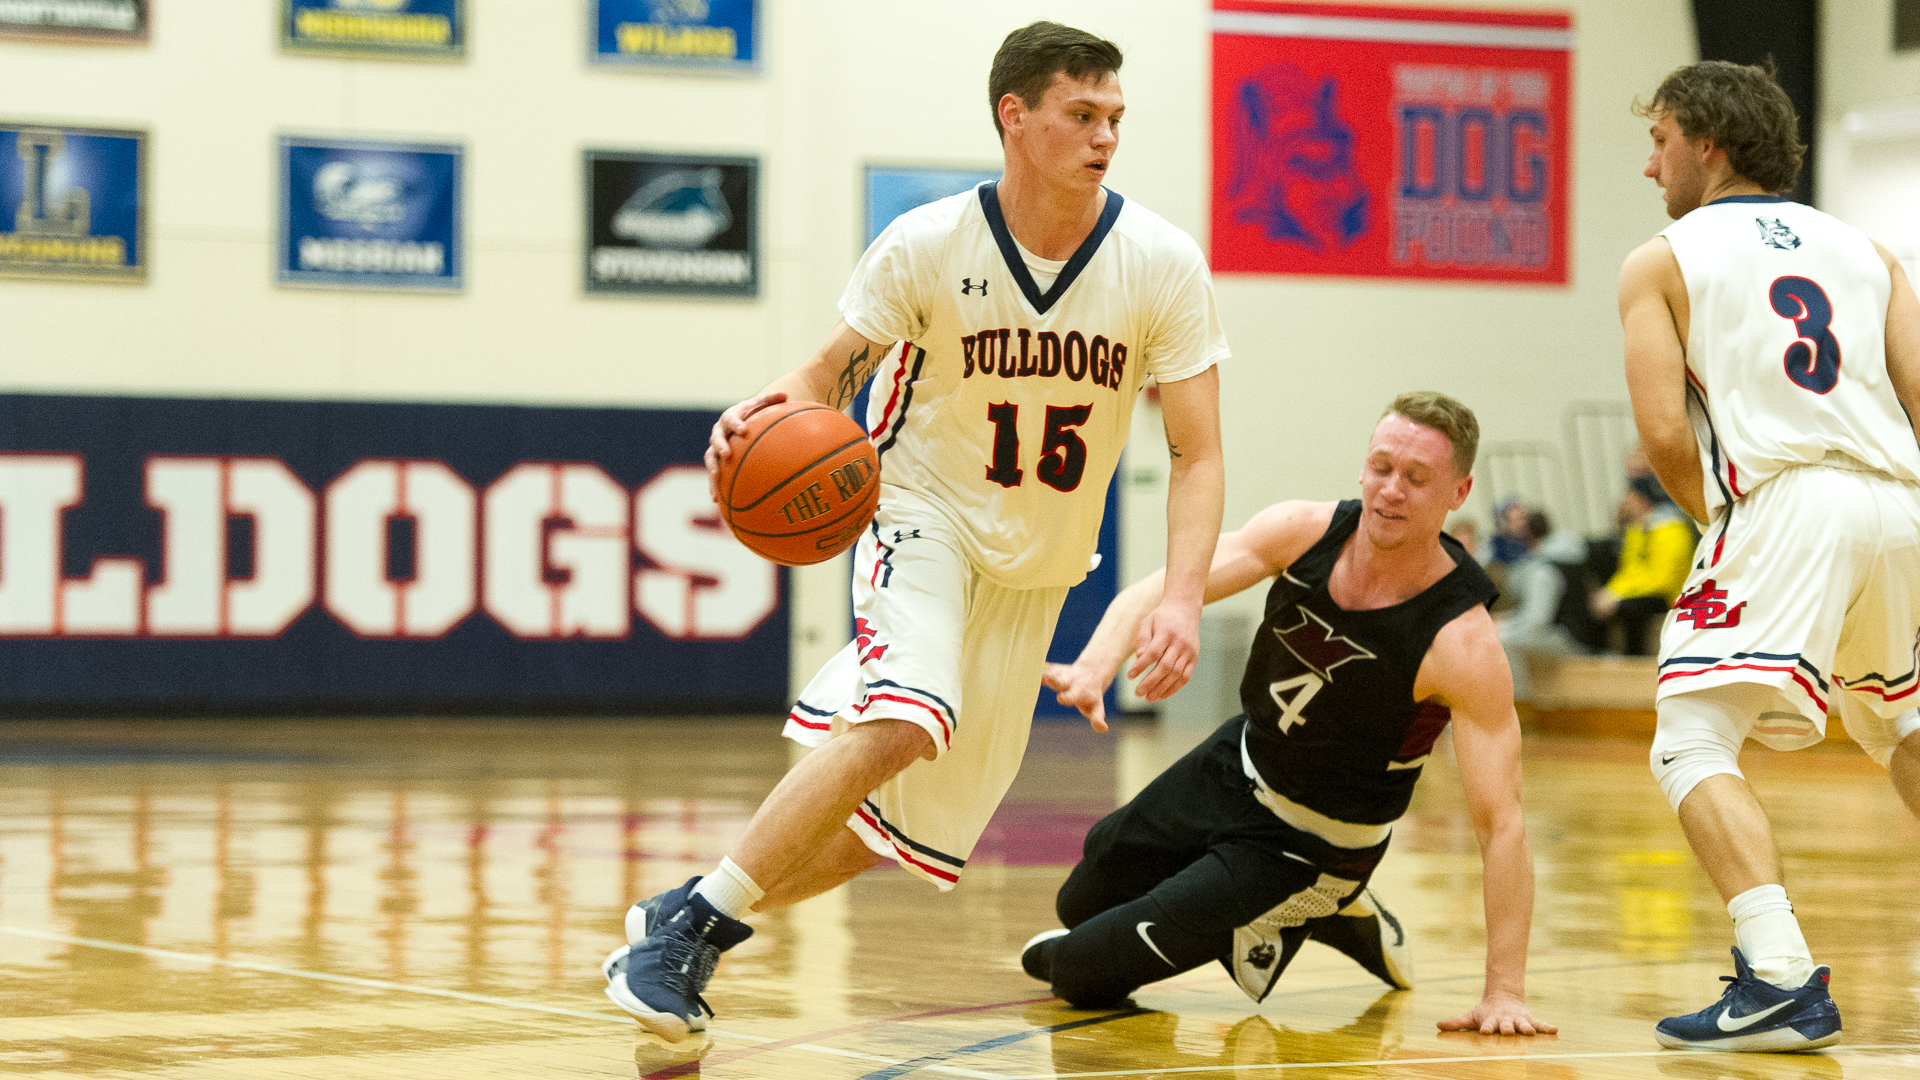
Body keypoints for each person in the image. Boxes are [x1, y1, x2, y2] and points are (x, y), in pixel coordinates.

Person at [602, 21, 1229, 1042]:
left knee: (889, 838)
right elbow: (820, 375)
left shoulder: (1161, 263)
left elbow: (1199, 455)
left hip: (1038, 572)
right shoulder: (931, 244)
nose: (1105, 136)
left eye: (1115, 118)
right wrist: (752, 415)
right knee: (905, 718)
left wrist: (1181, 596)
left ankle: (689, 908)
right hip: (917, 518)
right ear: (1014, 118)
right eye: (1082, 116)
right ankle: (689, 930)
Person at [1026, 393, 1556, 1037]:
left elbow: (1502, 825)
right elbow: (1162, 588)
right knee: (1079, 900)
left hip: (1313, 841)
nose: (1391, 490)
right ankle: (1336, 913)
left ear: (1457, 490)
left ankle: (1324, 896)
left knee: (1075, 971)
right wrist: (1094, 667)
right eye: (1381, 467)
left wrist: (1504, 991)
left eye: (1416, 479)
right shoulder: (1303, 531)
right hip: (1238, 762)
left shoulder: (1461, 642)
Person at [1620, 60, 1920, 1051]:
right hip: (1899, 501)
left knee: (1690, 733)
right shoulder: (1872, 252)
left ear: (1707, 144)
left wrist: (1729, 524)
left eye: (1660, 139)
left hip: (1788, 497)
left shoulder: (1660, 259)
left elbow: (1665, 434)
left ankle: (1778, 972)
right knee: (1904, 726)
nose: (1650, 163)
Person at [1587, 474, 1693, 654]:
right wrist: (1611, 593)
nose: (1625, 503)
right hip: (1645, 592)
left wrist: (1620, 598)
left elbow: (1663, 581)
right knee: (1597, 604)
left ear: (1644, 501)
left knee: (1630, 608)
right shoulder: (1638, 529)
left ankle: (1636, 662)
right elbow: (1629, 571)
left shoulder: (1672, 529)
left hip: (1670, 595)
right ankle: (1601, 659)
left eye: (1630, 498)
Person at [1495, 507, 1583, 702]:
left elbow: (1538, 622)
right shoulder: (1535, 563)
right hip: (1551, 632)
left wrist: (1500, 629)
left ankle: (1519, 708)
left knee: (1498, 643)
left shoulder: (1542, 568)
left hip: (1564, 639)